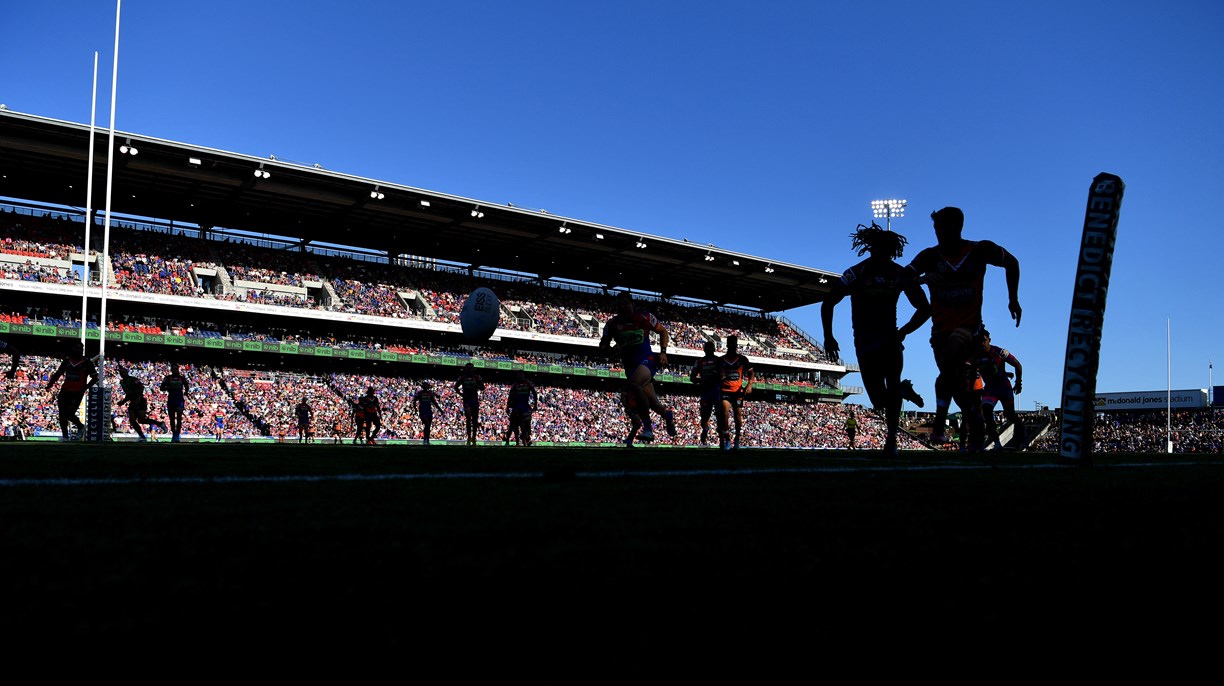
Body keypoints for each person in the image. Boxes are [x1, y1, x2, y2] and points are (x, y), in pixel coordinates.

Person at [899, 206, 1022, 451]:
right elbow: (902, 278)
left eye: (942, 227)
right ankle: (974, 422)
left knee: (955, 347)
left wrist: (1013, 299)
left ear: (957, 227)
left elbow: (1012, 263)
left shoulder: (979, 250)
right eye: (935, 228)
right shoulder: (929, 257)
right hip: (939, 333)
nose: (938, 233)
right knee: (951, 381)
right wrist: (919, 280)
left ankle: (939, 423)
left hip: (970, 330)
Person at [821, 223, 931, 455]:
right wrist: (828, 337)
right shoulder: (856, 273)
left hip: (889, 339)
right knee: (879, 400)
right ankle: (901, 391)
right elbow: (828, 302)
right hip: (865, 342)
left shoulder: (899, 274)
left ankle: (891, 440)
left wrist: (903, 332)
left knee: (891, 383)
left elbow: (925, 308)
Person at [598, 292, 676, 443]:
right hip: (630, 366)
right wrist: (610, 349)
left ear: (632, 304)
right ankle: (667, 415)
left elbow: (663, 331)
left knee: (634, 385)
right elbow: (602, 345)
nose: (623, 307)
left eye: (625, 304)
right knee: (653, 403)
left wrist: (663, 352)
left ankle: (648, 429)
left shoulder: (644, 317)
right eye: (620, 305)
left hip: (647, 359)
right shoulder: (612, 324)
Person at [974, 328, 1026, 450]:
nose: (982, 343)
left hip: (1004, 388)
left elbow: (1017, 364)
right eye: (980, 341)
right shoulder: (976, 355)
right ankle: (997, 444)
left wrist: (1018, 383)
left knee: (1010, 415)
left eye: (984, 340)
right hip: (990, 389)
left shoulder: (1000, 352)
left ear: (989, 340)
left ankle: (1023, 437)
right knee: (986, 411)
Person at [44, 343, 99, 441]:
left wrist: (86, 387)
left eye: (80, 348)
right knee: (62, 414)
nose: (78, 350)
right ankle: (65, 437)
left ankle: (80, 426)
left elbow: (95, 377)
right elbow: (58, 373)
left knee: (69, 414)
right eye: (76, 348)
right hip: (65, 390)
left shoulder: (87, 362)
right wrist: (50, 384)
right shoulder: (67, 360)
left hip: (77, 392)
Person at [718, 335, 754, 450]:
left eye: (734, 343)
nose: (732, 345)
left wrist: (749, 384)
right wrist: (719, 377)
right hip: (725, 390)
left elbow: (751, 372)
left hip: (738, 391)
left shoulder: (742, 359)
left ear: (736, 344)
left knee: (737, 416)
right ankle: (727, 439)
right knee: (725, 413)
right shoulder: (721, 360)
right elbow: (716, 374)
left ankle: (737, 439)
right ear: (727, 344)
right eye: (730, 343)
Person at [116, 365, 167, 442]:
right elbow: (128, 394)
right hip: (133, 402)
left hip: (140, 401)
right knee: (132, 421)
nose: (122, 374)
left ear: (127, 372)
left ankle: (160, 424)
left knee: (141, 420)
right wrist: (123, 402)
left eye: (124, 372)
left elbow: (141, 387)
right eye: (121, 372)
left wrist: (138, 397)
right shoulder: (122, 382)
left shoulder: (133, 379)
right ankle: (142, 436)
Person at [689, 340, 725, 446]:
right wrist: (703, 381)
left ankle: (722, 440)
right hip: (706, 393)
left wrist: (717, 376)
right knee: (705, 417)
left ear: (714, 349)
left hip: (717, 393)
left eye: (710, 347)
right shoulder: (700, 361)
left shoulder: (719, 361)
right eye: (707, 348)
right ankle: (705, 429)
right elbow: (692, 378)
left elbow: (724, 376)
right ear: (704, 350)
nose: (709, 349)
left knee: (720, 416)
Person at [454, 362, 485, 446]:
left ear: (473, 369)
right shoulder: (462, 377)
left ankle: (474, 438)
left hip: (474, 400)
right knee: (468, 418)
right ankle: (468, 437)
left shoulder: (477, 377)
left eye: (470, 368)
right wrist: (461, 394)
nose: (469, 370)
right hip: (467, 400)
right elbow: (455, 387)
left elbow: (483, 387)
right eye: (467, 368)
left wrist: (476, 385)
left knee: (475, 420)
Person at [502, 372, 538, 447]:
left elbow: (534, 394)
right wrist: (508, 407)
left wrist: (535, 405)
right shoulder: (515, 385)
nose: (520, 377)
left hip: (525, 406)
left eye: (521, 375)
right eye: (519, 376)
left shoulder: (528, 383)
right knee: (513, 425)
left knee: (526, 423)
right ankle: (515, 441)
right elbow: (510, 396)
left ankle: (525, 437)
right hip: (516, 406)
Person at [159, 362, 190, 442]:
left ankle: (177, 434)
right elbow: (161, 388)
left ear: (178, 369)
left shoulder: (182, 378)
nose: (174, 370)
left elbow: (187, 386)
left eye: (176, 369)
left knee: (179, 417)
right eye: (173, 369)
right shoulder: (168, 378)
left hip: (179, 399)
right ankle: (174, 434)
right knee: (172, 418)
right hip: (171, 399)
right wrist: (168, 387)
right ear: (171, 370)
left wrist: (186, 392)